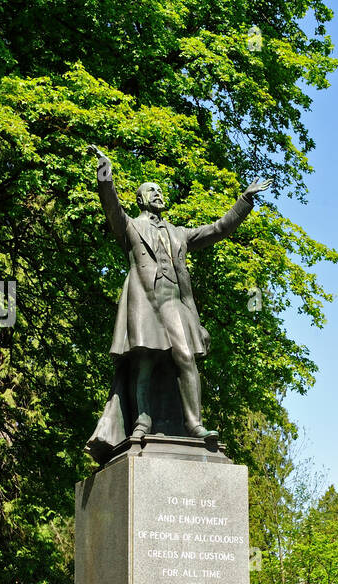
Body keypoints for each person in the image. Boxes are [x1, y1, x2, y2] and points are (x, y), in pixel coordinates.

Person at [85, 144, 271, 463]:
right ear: (141, 199)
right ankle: (142, 422)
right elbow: (112, 208)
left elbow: (218, 229)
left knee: (186, 358)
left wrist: (245, 200)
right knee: (145, 363)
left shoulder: (179, 234)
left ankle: (194, 424)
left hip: (175, 304)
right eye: (150, 191)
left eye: (159, 190)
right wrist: (105, 175)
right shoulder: (131, 227)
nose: (157, 193)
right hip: (144, 302)